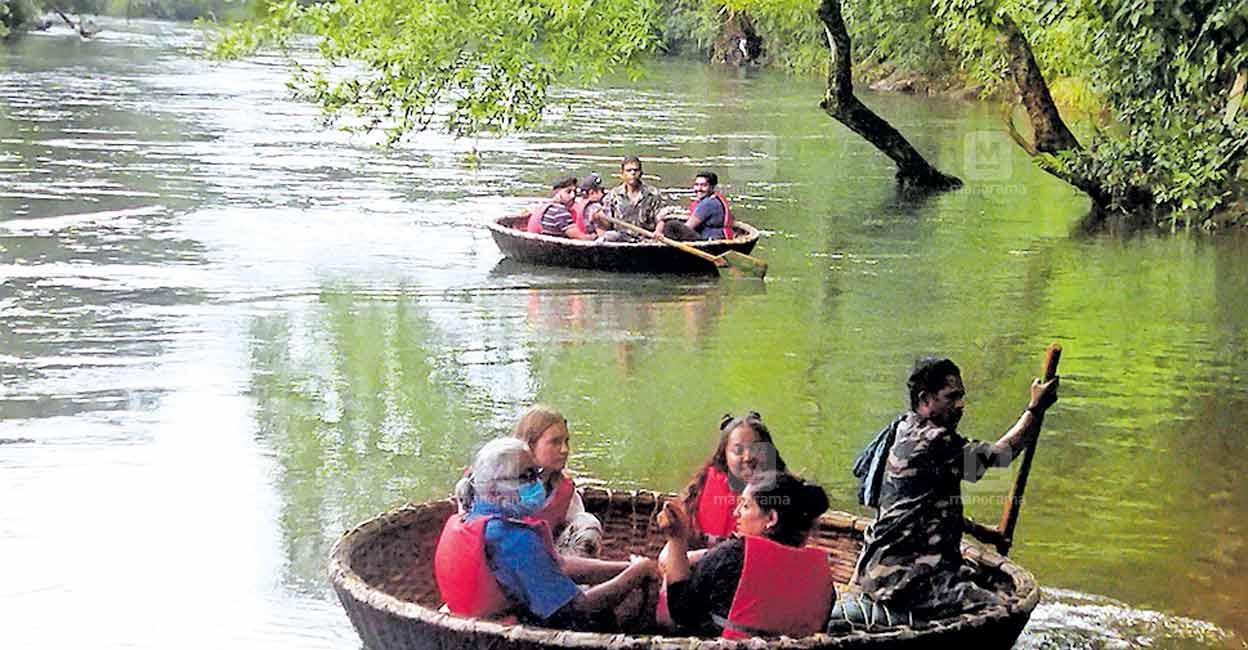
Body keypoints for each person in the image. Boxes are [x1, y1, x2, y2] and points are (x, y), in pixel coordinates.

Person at [851, 356, 1059, 619]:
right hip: (906, 578)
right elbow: (1000, 456)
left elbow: (926, 508)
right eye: (952, 397)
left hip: (878, 570)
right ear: (925, 400)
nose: (960, 405)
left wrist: (981, 532)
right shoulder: (934, 440)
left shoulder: (903, 428)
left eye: (961, 396)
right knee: (1000, 612)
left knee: (979, 583)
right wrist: (1035, 409)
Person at [434, 438, 658, 628]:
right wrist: (637, 573)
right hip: (507, 633)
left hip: (473, 621)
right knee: (605, 615)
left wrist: (627, 568)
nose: (536, 483)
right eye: (526, 476)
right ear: (496, 492)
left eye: (536, 473)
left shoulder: (472, 517)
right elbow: (577, 609)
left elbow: (558, 564)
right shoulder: (514, 539)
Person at [658, 473, 836, 638]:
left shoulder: (732, 556)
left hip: (722, 645)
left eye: (745, 505)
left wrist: (677, 539)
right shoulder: (821, 577)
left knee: (643, 570)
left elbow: (681, 611)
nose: (736, 513)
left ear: (771, 519)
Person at [680, 411, 787, 546]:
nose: (748, 457)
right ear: (724, 454)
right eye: (738, 451)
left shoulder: (785, 494)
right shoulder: (701, 486)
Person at [510, 405, 604, 557]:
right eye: (555, 442)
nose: (564, 450)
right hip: (505, 562)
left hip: (543, 561)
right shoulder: (501, 481)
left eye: (566, 442)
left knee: (588, 524)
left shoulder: (563, 488)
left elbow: (576, 526)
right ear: (531, 445)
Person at [654, 171, 733, 242]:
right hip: (715, 236)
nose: (699, 189)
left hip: (708, 239)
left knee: (671, 225)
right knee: (669, 221)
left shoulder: (708, 203)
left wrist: (664, 228)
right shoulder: (714, 199)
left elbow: (689, 226)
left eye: (704, 185)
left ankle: (670, 250)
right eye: (696, 185)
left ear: (712, 187)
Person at [603, 156, 663, 233]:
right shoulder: (613, 195)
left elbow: (661, 218)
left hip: (646, 238)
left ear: (641, 173)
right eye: (629, 170)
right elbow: (607, 223)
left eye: (636, 170)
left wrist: (658, 232)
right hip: (620, 238)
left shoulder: (653, 194)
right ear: (622, 173)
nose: (633, 173)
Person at [524, 175, 595, 240]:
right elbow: (581, 238)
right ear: (556, 192)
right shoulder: (559, 212)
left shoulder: (546, 206)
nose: (573, 195)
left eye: (575, 192)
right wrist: (594, 237)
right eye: (568, 192)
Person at [571, 173, 609, 239]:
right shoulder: (595, 207)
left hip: (577, 235)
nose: (603, 194)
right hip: (589, 238)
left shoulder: (576, 203)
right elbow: (601, 231)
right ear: (592, 192)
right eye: (602, 190)